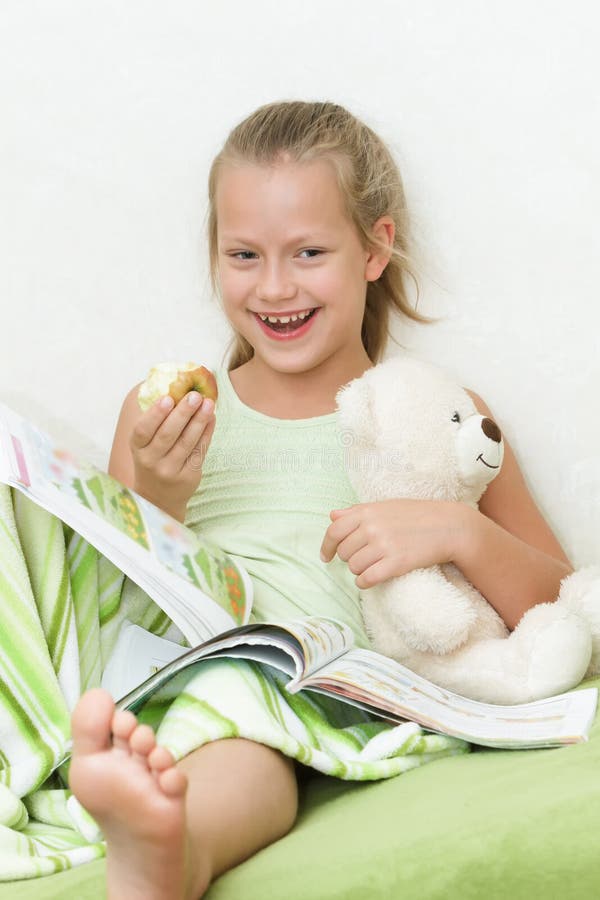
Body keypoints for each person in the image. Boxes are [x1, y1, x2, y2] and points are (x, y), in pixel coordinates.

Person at [68, 100, 574, 900]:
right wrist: (157, 493)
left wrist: (457, 533)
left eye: (308, 252)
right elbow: (112, 613)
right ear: (213, 256)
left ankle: (175, 849)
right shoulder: (162, 414)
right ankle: (131, 795)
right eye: (243, 255)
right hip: (179, 679)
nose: (274, 287)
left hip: (315, 698)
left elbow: (564, 609)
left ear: (375, 249)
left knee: (252, 744)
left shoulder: (438, 412)